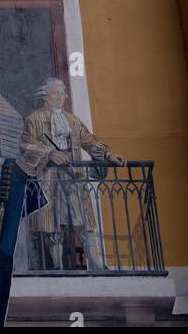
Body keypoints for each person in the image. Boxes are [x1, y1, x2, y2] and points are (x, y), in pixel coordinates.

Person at [17, 79, 124, 273]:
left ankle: (99, 267)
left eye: (62, 93)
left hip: (73, 176)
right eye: (55, 93)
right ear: (44, 96)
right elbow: (25, 145)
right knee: (53, 225)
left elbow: (89, 141)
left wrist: (108, 154)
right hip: (49, 178)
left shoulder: (73, 120)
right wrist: (49, 153)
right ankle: (58, 268)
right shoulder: (33, 119)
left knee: (84, 221)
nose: (60, 97)